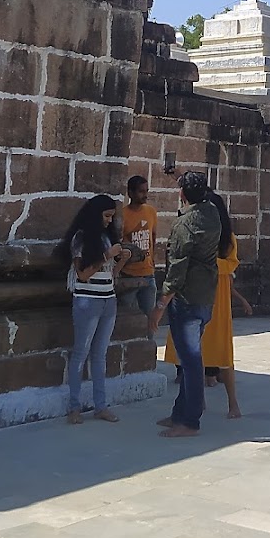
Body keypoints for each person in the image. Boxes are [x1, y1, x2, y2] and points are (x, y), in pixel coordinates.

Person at [166, 187, 252, 418]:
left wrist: (207, 262)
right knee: (192, 352)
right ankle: (195, 402)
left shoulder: (227, 238)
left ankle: (233, 404)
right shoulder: (194, 230)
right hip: (194, 293)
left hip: (218, 296)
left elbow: (231, 263)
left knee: (223, 353)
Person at [148, 171, 221, 438]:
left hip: (188, 298)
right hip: (206, 296)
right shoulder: (212, 213)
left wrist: (160, 306)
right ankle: (180, 411)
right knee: (190, 358)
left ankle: (190, 421)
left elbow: (176, 272)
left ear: (182, 194)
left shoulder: (185, 225)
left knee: (190, 361)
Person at [58, 194, 130, 424]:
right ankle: (74, 407)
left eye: (112, 216)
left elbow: (110, 275)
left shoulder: (106, 237)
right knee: (81, 353)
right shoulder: (81, 238)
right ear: (95, 214)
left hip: (108, 299)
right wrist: (107, 255)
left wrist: (121, 261)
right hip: (87, 301)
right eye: (107, 216)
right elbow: (83, 274)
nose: (110, 221)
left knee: (100, 355)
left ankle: (101, 406)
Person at [120, 176, 159, 338]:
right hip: (128, 274)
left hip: (148, 273)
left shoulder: (150, 211)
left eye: (146, 191)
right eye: (141, 191)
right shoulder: (122, 215)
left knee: (150, 317)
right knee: (125, 317)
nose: (145, 195)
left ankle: (149, 347)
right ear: (130, 193)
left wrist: (152, 260)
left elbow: (153, 237)